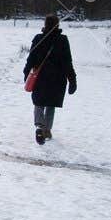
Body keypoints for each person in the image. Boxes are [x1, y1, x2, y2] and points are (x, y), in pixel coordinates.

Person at [23, 13, 76, 144]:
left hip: (40, 77)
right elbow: (67, 61)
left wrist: (26, 72)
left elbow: (31, 58)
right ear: (57, 25)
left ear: (45, 24)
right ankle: (47, 130)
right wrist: (72, 79)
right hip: (58, 79)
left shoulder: (38, 38)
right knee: (51, 104)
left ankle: (39, 126)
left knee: (39, 103)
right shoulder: (63, 40)